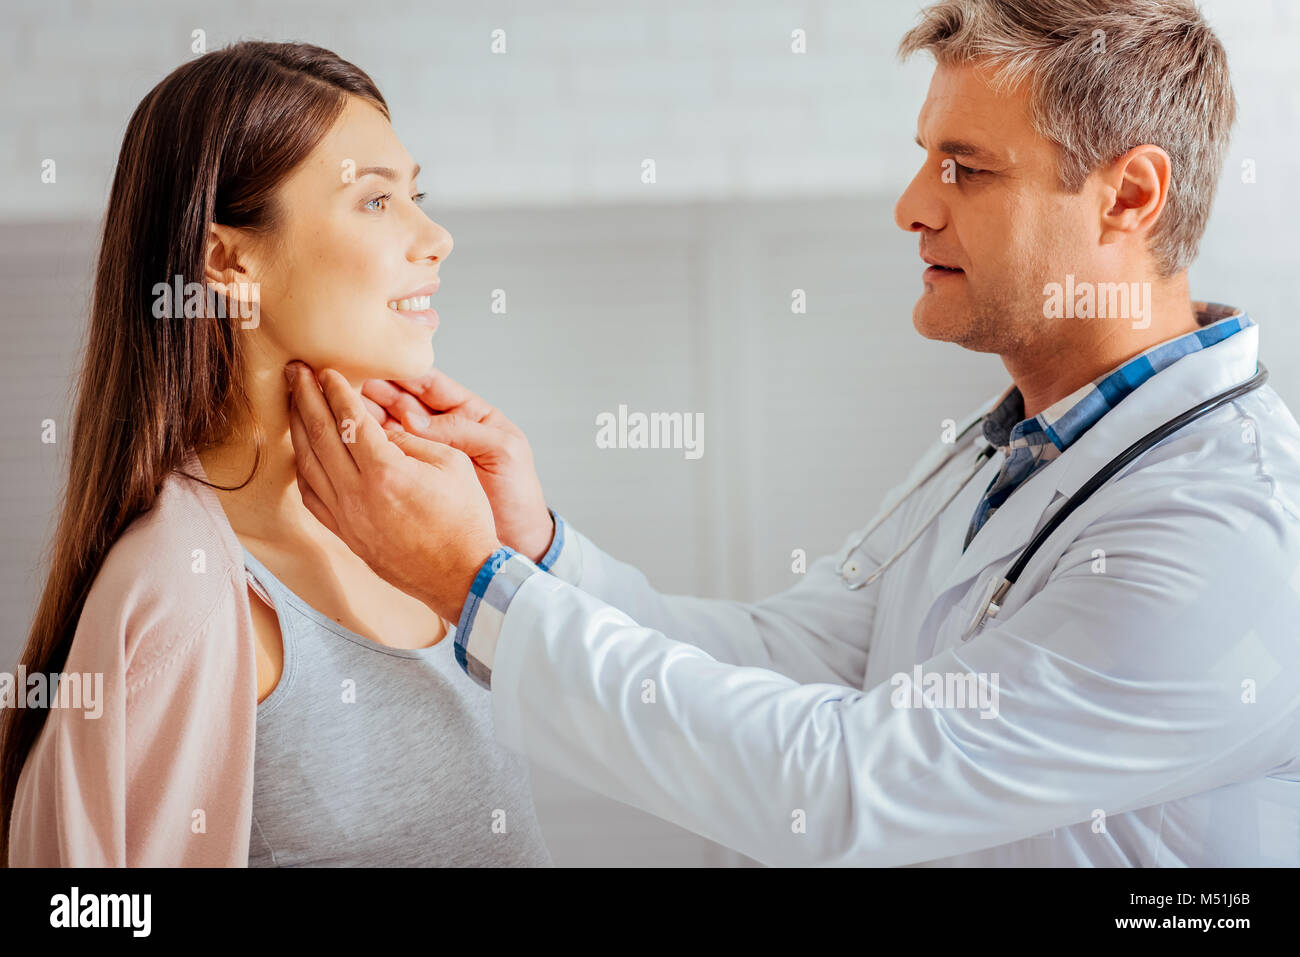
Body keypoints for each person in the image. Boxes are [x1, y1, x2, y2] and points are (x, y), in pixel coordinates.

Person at [285, 0, 1300, 866]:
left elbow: (842, 782)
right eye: (924, 160)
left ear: (1128, 195)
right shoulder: (1013, 447)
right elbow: (788, 659)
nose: (911, 207)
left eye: (967, 169)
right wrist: (531, 551)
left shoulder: (1222, 533)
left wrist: (473, 589)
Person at [2, 41, 552, 867]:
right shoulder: (182, 588)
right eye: (375, 202)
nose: (435, 237)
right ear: (227, 261)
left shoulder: (429, 513)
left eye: (416, 195)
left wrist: (531, 556)